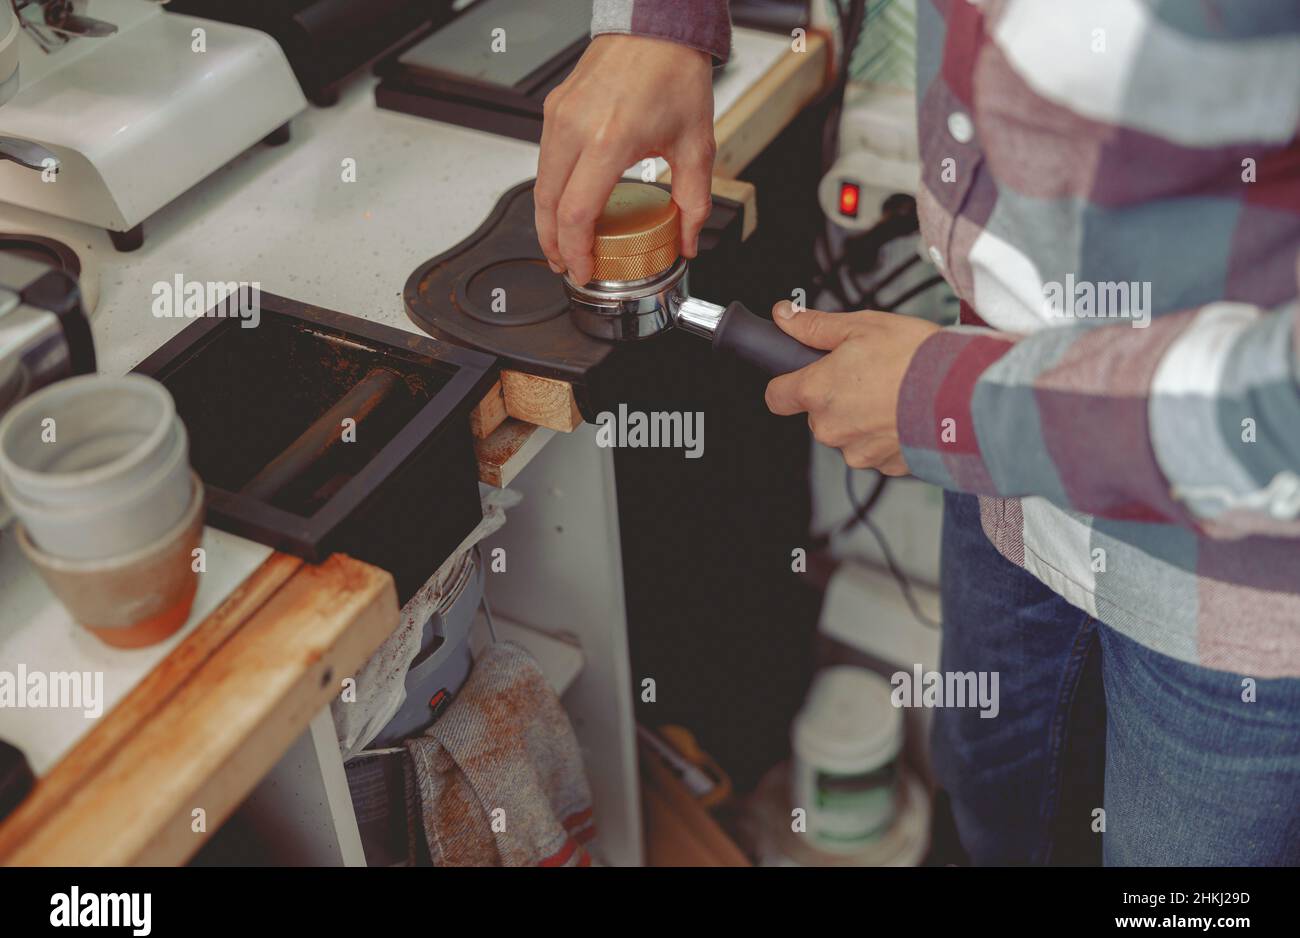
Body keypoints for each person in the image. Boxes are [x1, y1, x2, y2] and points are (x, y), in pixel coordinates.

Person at [538, 1, 1300, 865]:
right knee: (989, 806)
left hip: (1239, 573)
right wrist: (661, 24)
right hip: (1006, 461)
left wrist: (967, 408)